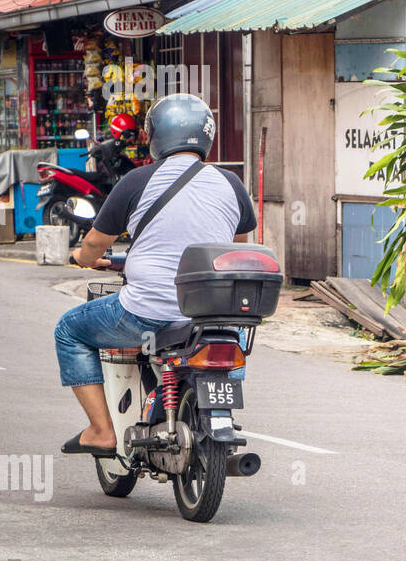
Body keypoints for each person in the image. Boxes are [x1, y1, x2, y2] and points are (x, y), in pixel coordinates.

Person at [55, 94, 256, 456]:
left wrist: (83, 258)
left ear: (156, 136)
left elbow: (94, 245)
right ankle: (217, 414)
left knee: (68, 330)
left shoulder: (137, 181)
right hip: (213, 315)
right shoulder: (232, 184)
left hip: (147, 311)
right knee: (228, 343)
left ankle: (101, 431)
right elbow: (236, 248)